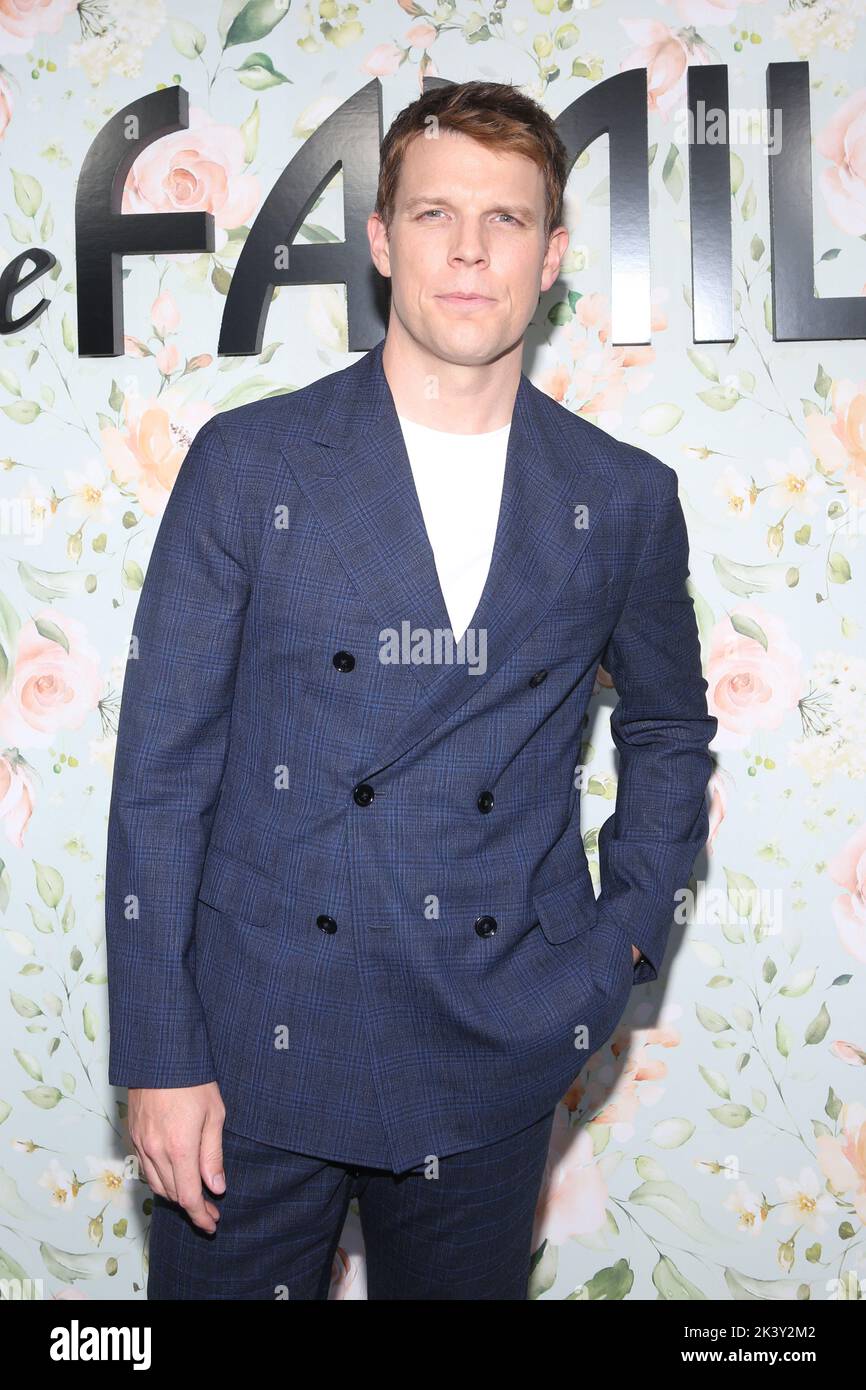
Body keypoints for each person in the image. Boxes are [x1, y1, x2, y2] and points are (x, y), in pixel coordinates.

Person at [105, 80, 718, 1301]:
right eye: (435, 214)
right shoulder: (250, 463)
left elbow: (668, 728)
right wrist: (160, 1053)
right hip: (253, 1047)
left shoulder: (622, 496)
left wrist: (616, 945)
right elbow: (161, 770)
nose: (470, 250)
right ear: (382, 243)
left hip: (489, 1046)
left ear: (550, 256)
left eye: (505, 219)